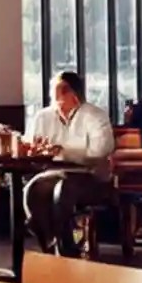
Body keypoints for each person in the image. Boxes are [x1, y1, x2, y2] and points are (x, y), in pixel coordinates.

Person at [22, 71, 116, 258]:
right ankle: (49, 239)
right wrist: (33, 149)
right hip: (51, 172)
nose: (54, 95)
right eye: (54, 91)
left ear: (73, 94)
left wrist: (62, 150)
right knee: (33, 189)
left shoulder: (95, 116)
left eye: (59, 91)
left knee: (64, 190)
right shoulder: (43, 117)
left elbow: (100, 150)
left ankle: (65, 247)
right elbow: (30, 144)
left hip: (90, 176)